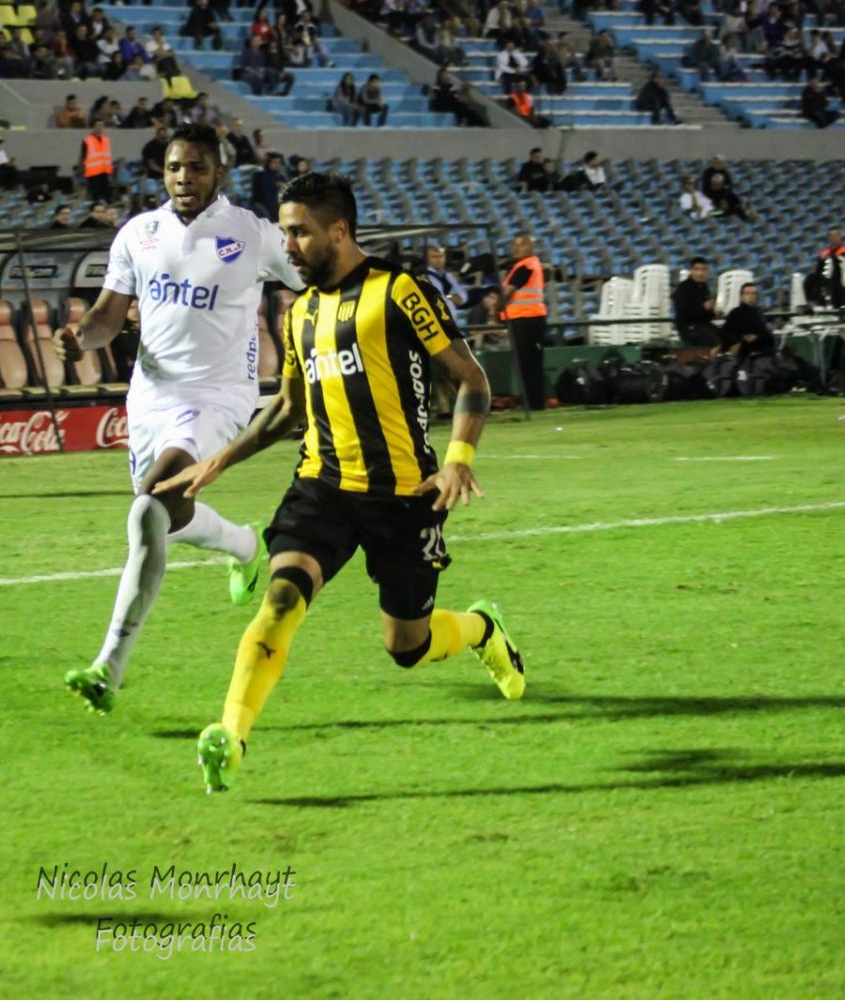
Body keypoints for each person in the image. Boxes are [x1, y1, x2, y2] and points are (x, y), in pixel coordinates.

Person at [151, 171, 525, 793]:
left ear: (340, 230)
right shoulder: (298, 313)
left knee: (407, 647)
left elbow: (471, 378)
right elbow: (288, 411)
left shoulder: (399, 290)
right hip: (322, 486)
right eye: (283, 233)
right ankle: (231, 736)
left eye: (299, 232)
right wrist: (221, 458)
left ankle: (482, 628)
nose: (288, 246)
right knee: (279, 601)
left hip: (406, 495)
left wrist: (458, 457)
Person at [54, 122, 305, 715]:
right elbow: (107, 317)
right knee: (163, 516)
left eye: (195, 167)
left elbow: (313, 277)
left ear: (220, 173)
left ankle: (108, 667)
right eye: (173, 168)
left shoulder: (252, 233)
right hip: (150, 398)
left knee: (149, 506)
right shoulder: (137, 235)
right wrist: (78, 338)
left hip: (219, 395)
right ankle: (245, 544)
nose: (183, 178)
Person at [498, 232, 549, 411]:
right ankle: (532, 401)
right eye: (515, 245)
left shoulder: (525, 266)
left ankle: (534, 403)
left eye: (521, 245)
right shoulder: (527, 265)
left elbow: (508, 292)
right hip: (527, 319)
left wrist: (496, 307)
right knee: (529, 363)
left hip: (527, 320)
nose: (516, 249)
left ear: (530, 247)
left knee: (529, 364)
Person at [671, 256, 719, 347]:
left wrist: (711, 311)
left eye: (703, 270)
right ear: (691, 271)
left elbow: (706, 316)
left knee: (728, 339)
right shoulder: (683, 288)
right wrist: (703, 308)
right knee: (715, 343)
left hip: (702, 325)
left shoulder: (704, 288)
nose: (700, 273)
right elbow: (683, 313)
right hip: (688, 327)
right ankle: (710, 361)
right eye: (697, 269)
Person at [719, 282, 773, 358]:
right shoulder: (736, 313)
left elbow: (765, 332)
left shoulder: (758, 312)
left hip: (761, 347)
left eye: (753, 293)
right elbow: (726, 333)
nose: (751, 296)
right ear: (741, 296)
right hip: (745, 351)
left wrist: (757, 337)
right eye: (747, 293)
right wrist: (742, 338)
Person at [813, 227, 845, 311]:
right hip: (825, 283)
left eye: (836, 235)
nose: (833, 238)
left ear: (840, 237)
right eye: (831, 236)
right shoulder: (823, 254)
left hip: (843, 282)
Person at [423, 244, 468, 314]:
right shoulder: (425, 277)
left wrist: (450, 296)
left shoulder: (448, 275)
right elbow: (440, 298)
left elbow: (463, 296)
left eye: (441, 256)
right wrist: (451, 297)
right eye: (434, 257)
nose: (438, 260)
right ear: (427, 259)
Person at [78, 118, 113, 201]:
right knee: (95, 195)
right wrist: (81, 170)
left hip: (105, 171)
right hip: (93, 172)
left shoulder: (106, 139)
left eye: (102, 125)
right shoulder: (87, 140)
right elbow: (83, 156)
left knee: (107, 194)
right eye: (98, 125)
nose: (100, 127)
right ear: (93, 127)